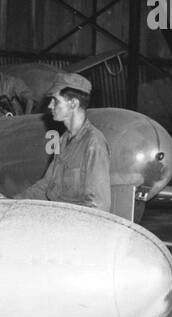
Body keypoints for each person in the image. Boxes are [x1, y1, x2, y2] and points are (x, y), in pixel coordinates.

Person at [15, 73, 111, 212]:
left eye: (55, 100)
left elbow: (98, 206)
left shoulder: (93, 143)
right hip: (59, 218)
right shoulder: (63, 139)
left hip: (75, 226)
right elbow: (46, 185)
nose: (50, 105)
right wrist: (11, 202)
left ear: (73, 103)